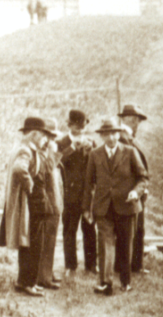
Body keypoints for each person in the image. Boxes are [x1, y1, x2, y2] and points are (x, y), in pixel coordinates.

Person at [82, 117, 148, 295]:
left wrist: (136, 192)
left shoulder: (130, 151)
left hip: (126, 206)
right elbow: (89, 184)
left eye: (113, 133)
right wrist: (86, 209)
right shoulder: (95, 155)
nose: (111, 138)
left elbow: (143, 177)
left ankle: (125, 281)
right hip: (103, 207)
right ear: (102, 136)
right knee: (105, 244)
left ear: (118, 134)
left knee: (125, 245)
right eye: (106, 134)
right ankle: (105, 282)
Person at [0, 116, 58, 297]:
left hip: (34, 205)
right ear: (34, 134)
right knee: (33, 245)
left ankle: (24, 281)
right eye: (42, 135)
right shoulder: (26, 150)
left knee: (29, 245)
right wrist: (29, 183)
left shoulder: (25, 148)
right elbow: (19, 169)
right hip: (33, 206)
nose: (44, 139)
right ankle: (28, 283)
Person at [58, 109, 96, 275]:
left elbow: (96, 166)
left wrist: (90, 152)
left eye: (83, 127)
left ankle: (91, 265)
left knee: (89, 229)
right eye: (77, 127)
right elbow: (57, 160)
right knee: (69, 230)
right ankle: (70, 265)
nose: (81, 130)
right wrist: (73, 147)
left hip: (87, 194)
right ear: (70, 125)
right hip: (69, 194)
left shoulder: (91, 142)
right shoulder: (61, 142)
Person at [32, 118, 63, 290]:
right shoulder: (42, 152)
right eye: (49, 136)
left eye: (53, 136)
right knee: (46, 240)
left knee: (51, 240)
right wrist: (53, 153)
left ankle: (47, 273)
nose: (52, 140)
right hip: (48, 203)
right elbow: (47, 170)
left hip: (55, 201)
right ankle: (43, 277)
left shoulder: (48, 150)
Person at [118, 103, 149, 275]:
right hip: (131, 191)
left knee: (137, 228)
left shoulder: (129, 138)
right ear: (128, 120)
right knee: (132, 229)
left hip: (137, 189)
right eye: (136, 121)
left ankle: (136, 265)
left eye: (138, 121)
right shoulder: (124, 138)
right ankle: (130, 265)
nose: (137, 125)